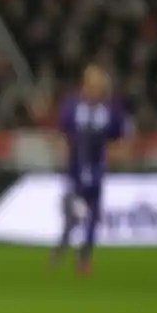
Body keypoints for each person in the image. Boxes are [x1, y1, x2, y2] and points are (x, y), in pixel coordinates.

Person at [51, 64, 132, 275]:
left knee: (93, 215)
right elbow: (62, 134)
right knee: (74, 214)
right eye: (92, 85)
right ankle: (62, 246)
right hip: (75, 170)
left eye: (99, 86)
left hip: (97, 170)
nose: (95, 90)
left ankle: (83, 257)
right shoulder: (72, 105)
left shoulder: (111, 109)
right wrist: (63, 156)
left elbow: (121, 136)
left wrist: (115, 154)